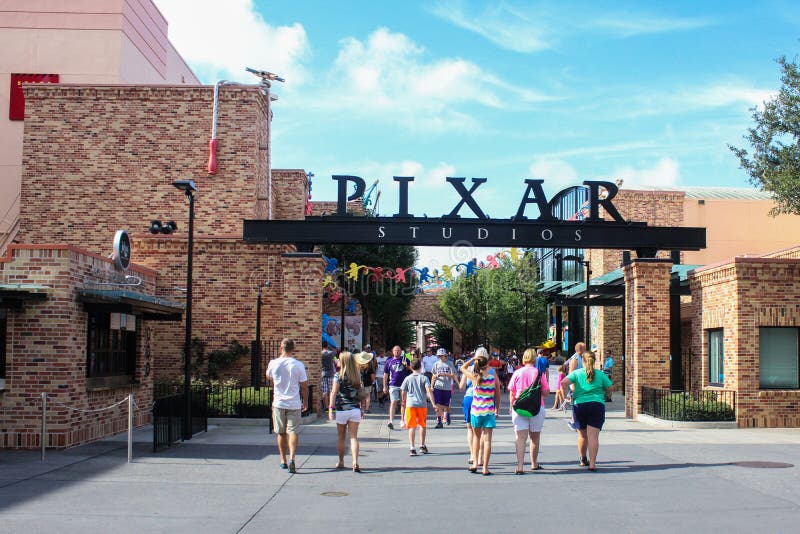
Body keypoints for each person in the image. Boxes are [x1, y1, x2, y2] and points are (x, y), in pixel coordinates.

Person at [560, 351, 612, 471]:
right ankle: (592, 463)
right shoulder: (600, 374)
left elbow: (563, 383)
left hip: (580, 405)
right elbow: (610, 387)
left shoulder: (577, 373)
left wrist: (565, 398)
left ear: (582, 361)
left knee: (582, 435)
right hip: (597, 404)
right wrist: (605, 395)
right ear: (594, 361)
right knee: (593, 437)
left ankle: (583, 459)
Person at [265, 338, 308, 474]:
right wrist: (305, 401)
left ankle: (283, 460)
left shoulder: (273, 363)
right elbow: (304, 386)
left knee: (281, 432)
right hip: (294, 403)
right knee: (293, 431)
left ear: (280, 348)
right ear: (293, 349)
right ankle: (292, 459)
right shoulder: (298, 365)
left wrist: (278, 379)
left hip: (279, 402)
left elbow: (268, 376)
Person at [460, 348, 501, 476]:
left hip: (476, 411)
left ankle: (475, 463)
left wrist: (472, 359)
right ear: (487, 364)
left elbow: (462, 368)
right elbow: (498, 393)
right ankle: (485, 468)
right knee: (487, 440)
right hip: (489, 411)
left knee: (476, 438)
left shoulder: (474, 377)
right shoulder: (492, 377)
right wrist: (497, 408)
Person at [509, 348, 550, 474]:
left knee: (520, 438)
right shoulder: (539, 373)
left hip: (519, 407)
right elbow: (546, 392)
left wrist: (511, 406)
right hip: (536, 408)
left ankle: (520, 466)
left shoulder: (517, 372)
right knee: (535, 437)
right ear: (534, 359)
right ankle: (534, 463)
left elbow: (512, 392)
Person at [328, 351, 364, 472]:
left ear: (343, 361)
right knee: (354, 437)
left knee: (341, 437)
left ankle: (341, 461)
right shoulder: (357, 375)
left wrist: (330, 408)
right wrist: (361, 408)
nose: (337, 361)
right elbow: (361, 393)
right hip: (355, 409)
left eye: (339, 359)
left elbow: (334, 392)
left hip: (342, 409)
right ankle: (355, 462)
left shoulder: (338, 376)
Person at [400, 358, 436, 456]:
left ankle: (412, 448)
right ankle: (422, 445)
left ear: (411, 367)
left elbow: (403, 392)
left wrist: (403, 400)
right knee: (422, 425)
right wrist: (433, 404)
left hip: (410, 404)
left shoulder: (407, 378)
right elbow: (429, 391)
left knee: (411, 426)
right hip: (422, 404)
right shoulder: (424, 378)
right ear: (420, 367)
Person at [383, 345, 409, 430]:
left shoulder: (405, 359)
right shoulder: (389, 361)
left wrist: (406, 365)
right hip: (393, 384)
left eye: (398, 350)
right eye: (395, 350)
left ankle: (402, 420)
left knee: (403, 402)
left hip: (404, 384)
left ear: (401, 351)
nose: (397, 352)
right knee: (393, 402)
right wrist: (385, 386)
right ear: (392, 351)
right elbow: (385, 375)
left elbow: (413, 368)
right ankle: (391, 421)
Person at [431, 347, 457, 427]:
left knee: (446, 405)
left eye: (441, 355)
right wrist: (432, 385)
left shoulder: (450, 363)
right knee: (437, 405)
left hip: (447, 387)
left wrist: (445, 374)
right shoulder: (436, 364)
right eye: (438, 356)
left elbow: (453, 375)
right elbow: (433, 375)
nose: (440, 357)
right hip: (438, 386)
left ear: (445, 355)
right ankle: (439, 422)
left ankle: (448, 414)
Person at [319, 341, 336, 415]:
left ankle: (326, 407)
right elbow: (335, 358)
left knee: (325, 391)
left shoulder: (320, 354)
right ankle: (332, 406)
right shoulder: (331, 353)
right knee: (332, 391)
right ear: (327, 345)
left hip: (323, 374)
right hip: (330, 374)